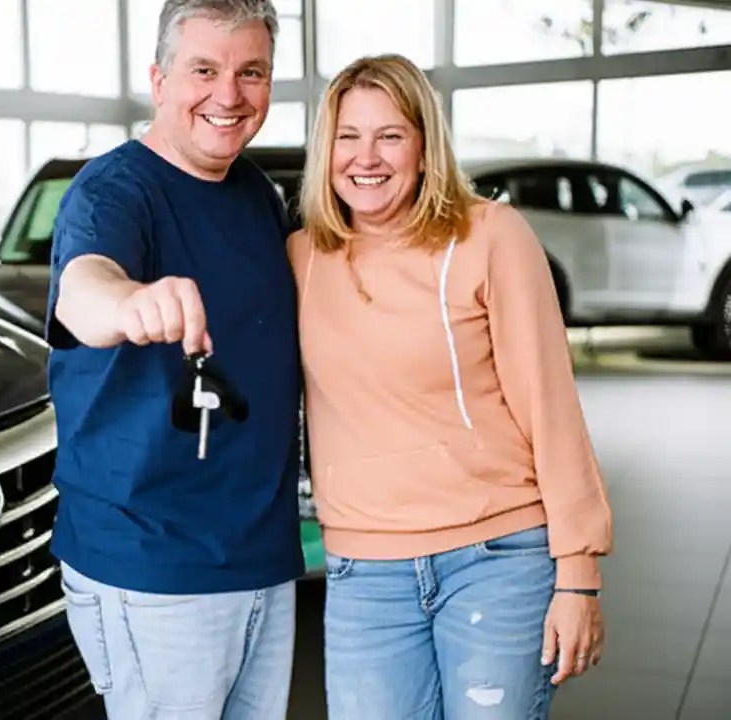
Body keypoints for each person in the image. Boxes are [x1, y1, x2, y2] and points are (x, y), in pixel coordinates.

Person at [288, 53, 614, 719]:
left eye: (390, 135)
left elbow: (550, 405)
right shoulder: (302, 257)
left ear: (424, 146)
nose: (366, 158)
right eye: (349, 137)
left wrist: (578, 571)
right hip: (363, 572)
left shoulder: (489, 236)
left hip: (495, 558)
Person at [44, 1, 303, 718]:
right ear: (159, 81)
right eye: (204, 70)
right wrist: (129, 301)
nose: (229, 95)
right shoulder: (113, 191)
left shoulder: (256, 194)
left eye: (251, 73)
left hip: (259, 552)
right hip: (154, 563)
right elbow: (84, 289)